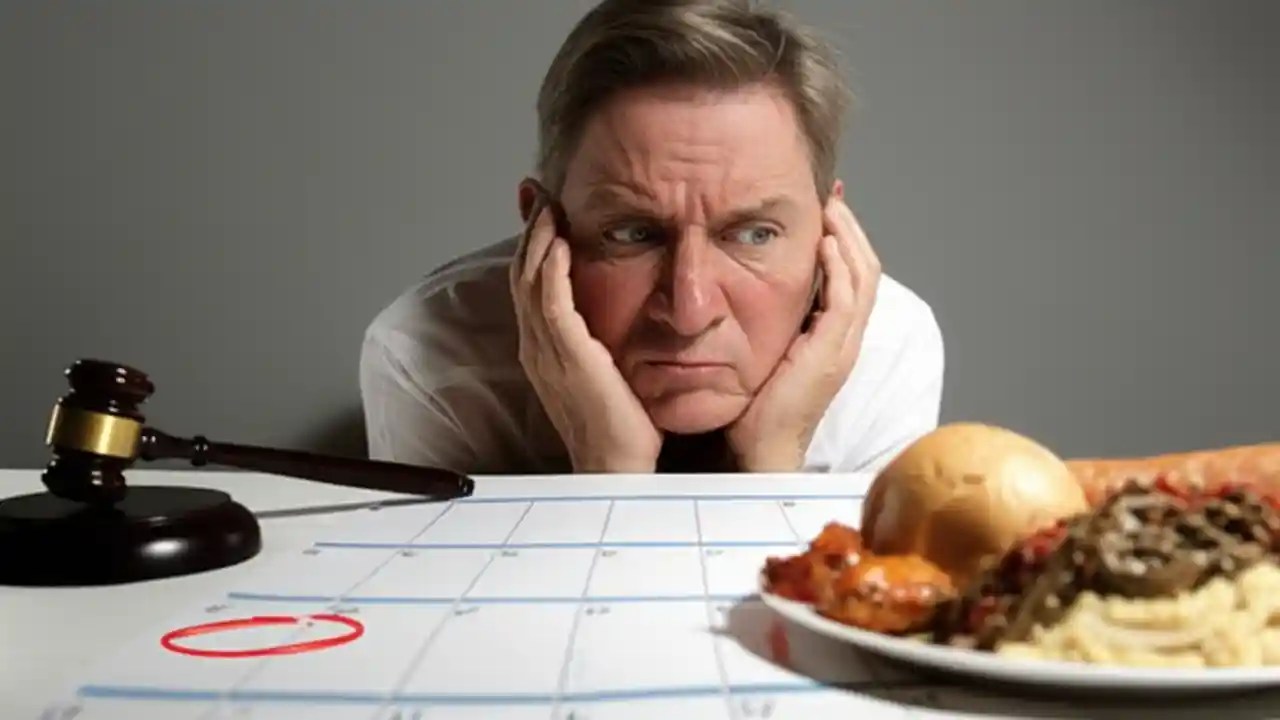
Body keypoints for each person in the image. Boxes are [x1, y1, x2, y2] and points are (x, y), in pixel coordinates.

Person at [359, 0, 945, 476]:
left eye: (754, 234)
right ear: (541, 226)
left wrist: (775, 461)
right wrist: (608, 470)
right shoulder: (431, 358)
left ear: (828, 234)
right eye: (633, 234)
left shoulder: (889, 353)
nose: (689, 313)